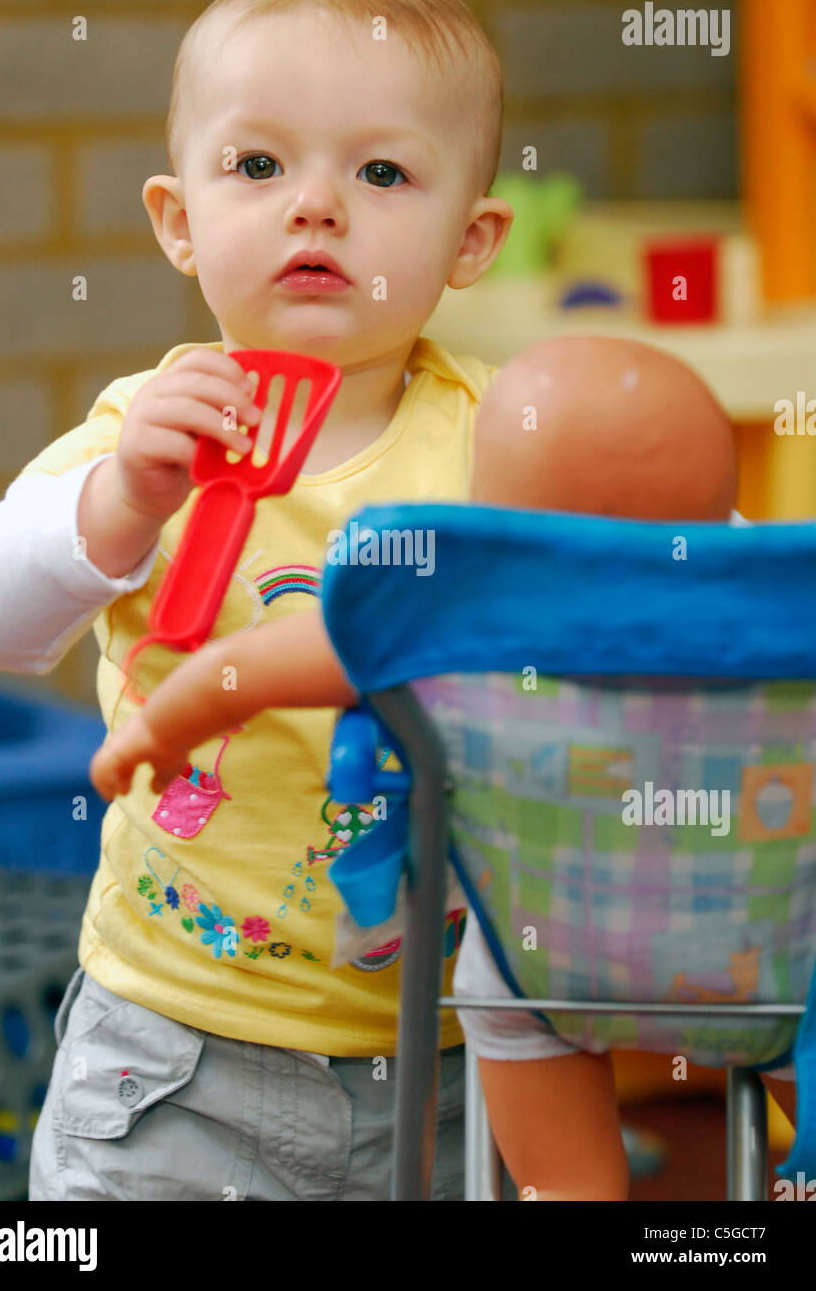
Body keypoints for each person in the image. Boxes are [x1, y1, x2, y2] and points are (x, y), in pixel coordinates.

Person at [0, 0, 515, 1201]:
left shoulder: (506, 442)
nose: (317, 206)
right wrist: (124, 502)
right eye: (260, 166)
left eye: (381, 172)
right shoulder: (147, 427)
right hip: (169, 1051)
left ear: (470, 240)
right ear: (179, 221)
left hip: (450, 1061)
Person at [91, 335, 798, 1201]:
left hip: (537, 965)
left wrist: (154, 733)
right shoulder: (779, 624)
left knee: (565, 1179)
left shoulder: (453, 621)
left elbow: (251, 667)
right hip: (762, 952)